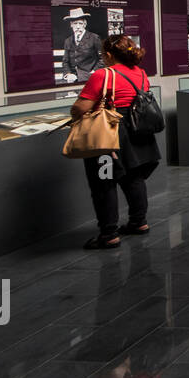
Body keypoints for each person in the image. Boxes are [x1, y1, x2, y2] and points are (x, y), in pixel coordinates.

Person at [70, 34, 162, 249]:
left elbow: (81, 107)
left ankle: (108, 233)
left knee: (104, 182)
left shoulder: (103, 75)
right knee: (134, 178)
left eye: (103, 53)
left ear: (109, 55)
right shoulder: (140, 73)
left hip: (109, 135)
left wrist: (74, 113)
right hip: (136, 132)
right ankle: (139, 222)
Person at [61, 7, 103, 84]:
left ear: (85, 24)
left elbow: (102, 58)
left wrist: (94, 72)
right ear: (71, 25)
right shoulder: (68, 41)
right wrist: (68, 74)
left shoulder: (94, 38)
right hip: (72, 78)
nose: (77, 27)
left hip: (89, 76)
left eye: (80, 23)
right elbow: (65, 61)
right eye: (75, 23)